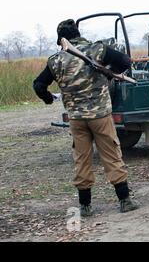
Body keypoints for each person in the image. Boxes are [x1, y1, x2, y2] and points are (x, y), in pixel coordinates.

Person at [33, 19, 138, 217]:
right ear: (77, 33)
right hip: (100, 115)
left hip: (76, 119)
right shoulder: (96, 50)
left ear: (61, 39)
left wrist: (49, 99)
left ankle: (85, 206)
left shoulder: (56, 60)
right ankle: (124, 201)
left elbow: (38, 85)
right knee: (112, 156)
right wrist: (110, 74)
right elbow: (124, 61)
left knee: (82, 160)